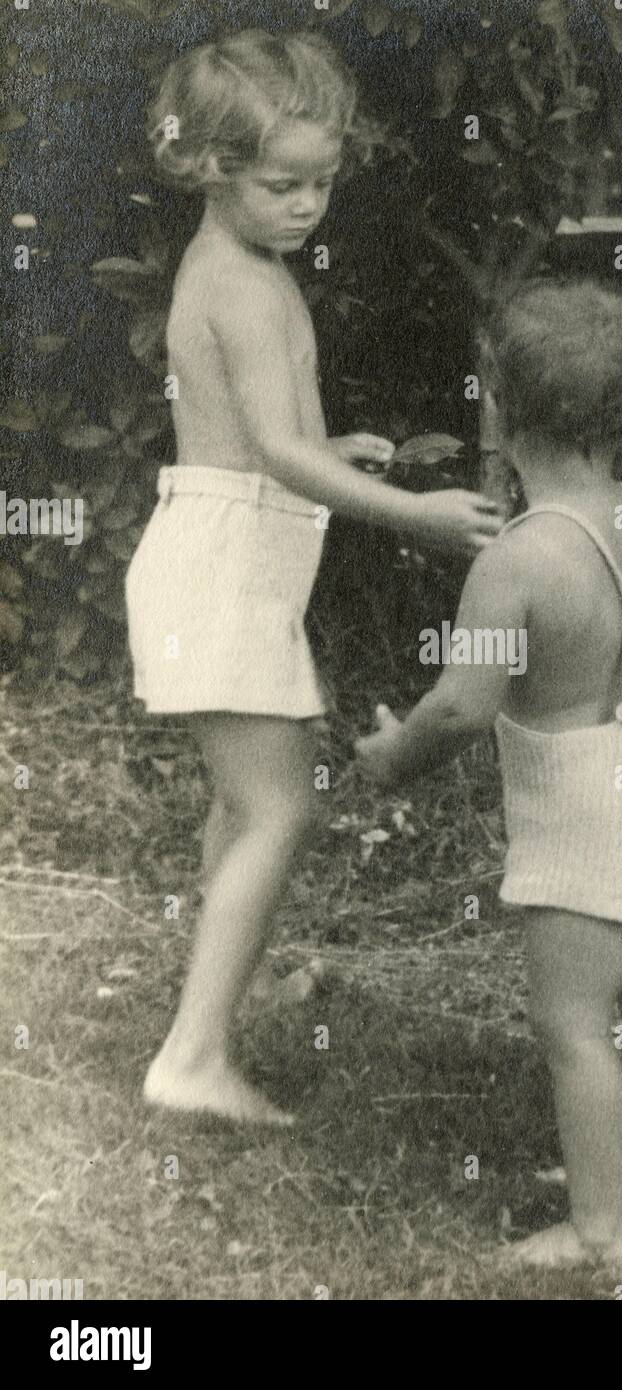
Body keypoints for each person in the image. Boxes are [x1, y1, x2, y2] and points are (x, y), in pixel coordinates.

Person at [126, 29, 501, 1126]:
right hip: (223, 569)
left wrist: (335, 455)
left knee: (247, 806)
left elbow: (258, 441)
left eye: (322, 183)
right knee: (281, 807)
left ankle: (211, 1006)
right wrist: (417, 516)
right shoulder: (238, 286)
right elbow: (278, 456)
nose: (305, 206)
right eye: (280, 183)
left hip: (229, 554)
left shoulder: (245, 266)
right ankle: (191, 1057)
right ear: (205, 166)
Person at [356, 278, 622, 1266]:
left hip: (593, 818)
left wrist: (391, 754)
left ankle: (599, 1229)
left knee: (573, 1023)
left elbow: (461, 706)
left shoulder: (520, 557)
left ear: (498, 402)